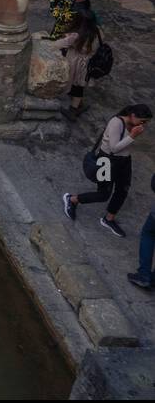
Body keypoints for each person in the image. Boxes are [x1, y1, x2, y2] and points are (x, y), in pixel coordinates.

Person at [64, 103, 152, 237]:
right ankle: (72, 200)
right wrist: (132, 136)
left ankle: (108, 219)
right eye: (143, 121)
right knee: (103, 194)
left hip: (124, 161)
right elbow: (114, 148)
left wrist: (132, 135)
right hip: (106, 161)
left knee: (123, 190)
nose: (143, 125)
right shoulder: (116, 123)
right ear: (133, 115)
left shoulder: (134, 125)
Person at [55, 13, 100, 117]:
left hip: (75, 62)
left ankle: (73, 109)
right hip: (88, 62)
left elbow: (58, 44)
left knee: (77, 86)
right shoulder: (97, 32)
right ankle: (77, 103)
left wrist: (67, 37)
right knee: (80, 84)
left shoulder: (76, 36)